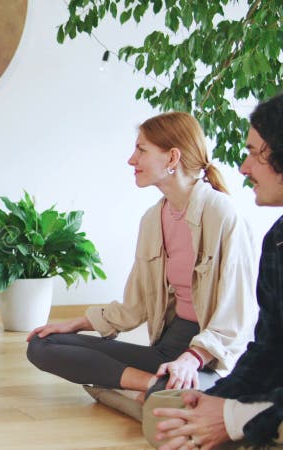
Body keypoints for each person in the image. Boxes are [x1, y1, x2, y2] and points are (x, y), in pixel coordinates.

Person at [26, 112, 258, 400]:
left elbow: (238, 316)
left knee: (182, 403)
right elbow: (134, 307)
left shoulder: (221, 213)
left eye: (141, 150)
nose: (132, 160)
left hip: (210, 356)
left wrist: (191, 359)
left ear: (172, 158)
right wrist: (77, 323)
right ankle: (152, 385)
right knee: (41, 344)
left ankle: (161, 389)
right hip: (167, 349)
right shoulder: (152, 220)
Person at [148, 93, 283, 449]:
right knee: (171, 425)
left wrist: (233, 418)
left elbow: (234, 328)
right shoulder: (278, 241)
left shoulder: (222, 214)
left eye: (256, 153)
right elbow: (270, 349)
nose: (243, 167)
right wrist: (217, 400)